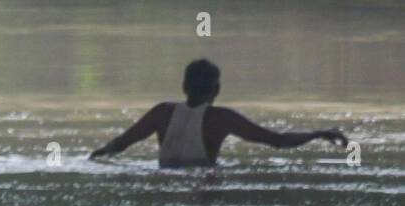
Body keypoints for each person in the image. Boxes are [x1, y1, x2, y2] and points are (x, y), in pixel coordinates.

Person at [90, 58, 348, 167]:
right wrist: (318, 133)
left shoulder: (161, 112)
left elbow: (120, 144)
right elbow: (277, 141)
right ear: (217, 89)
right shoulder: (221, 118)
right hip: (203, 183)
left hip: (164, 179)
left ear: (183, 87)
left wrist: (92, 158)